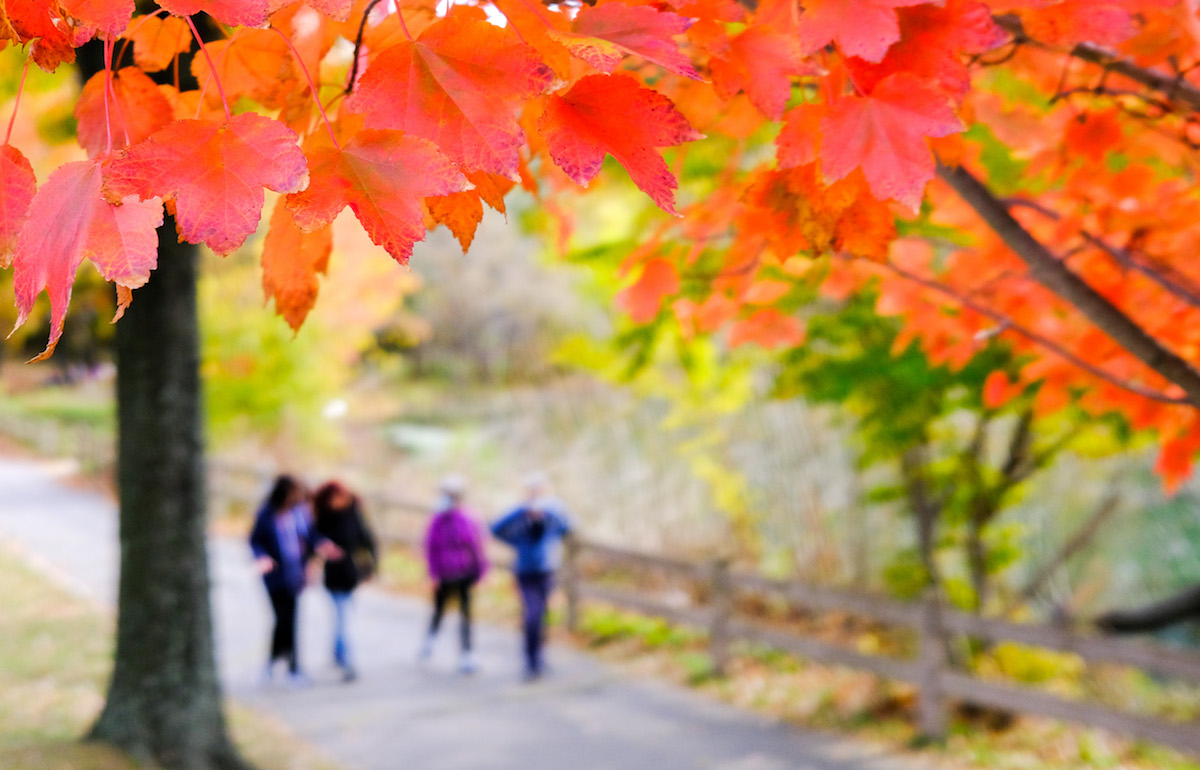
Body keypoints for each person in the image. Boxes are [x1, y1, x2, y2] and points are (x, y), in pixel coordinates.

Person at [249, 474, 340, 685]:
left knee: (292, 619)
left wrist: (322, 546)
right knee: (282, 619)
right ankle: (280, 664)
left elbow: (311, 536)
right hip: (274, 576)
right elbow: (255, 540)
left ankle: (289, 666)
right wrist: (262, 557)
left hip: (295, 574)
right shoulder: (267, 514)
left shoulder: (300, 513)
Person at [490, 472, 572, 681]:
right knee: (532, 615)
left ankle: (539, 657)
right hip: (525, 572)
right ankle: (530, 661)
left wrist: (551, 507)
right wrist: (521, 511)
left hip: (547, 570)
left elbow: (568, 527)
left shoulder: (551, 515)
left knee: (542, 614)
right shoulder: (519, 515)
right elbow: (495, 528)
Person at [420, 474, 489, 674]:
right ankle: (430, 640)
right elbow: (430, 548)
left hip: (464, 574)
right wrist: (432, 574)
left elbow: (477, 547)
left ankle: (467, 653)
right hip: (444, 574)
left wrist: (481, 572)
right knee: (439, 610)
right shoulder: (437, 520)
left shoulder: (468, 519)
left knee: (466, 615)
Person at [313, 480, 378, 682]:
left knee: (342, 617)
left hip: (350, 575)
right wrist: (322, 549)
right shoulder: (324, 519)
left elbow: (368, 542)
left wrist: (372, 567)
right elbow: (311, 539)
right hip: (332, 576)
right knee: (342, 617)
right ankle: (347, 661)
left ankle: (339, 654)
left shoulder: (353, 516)